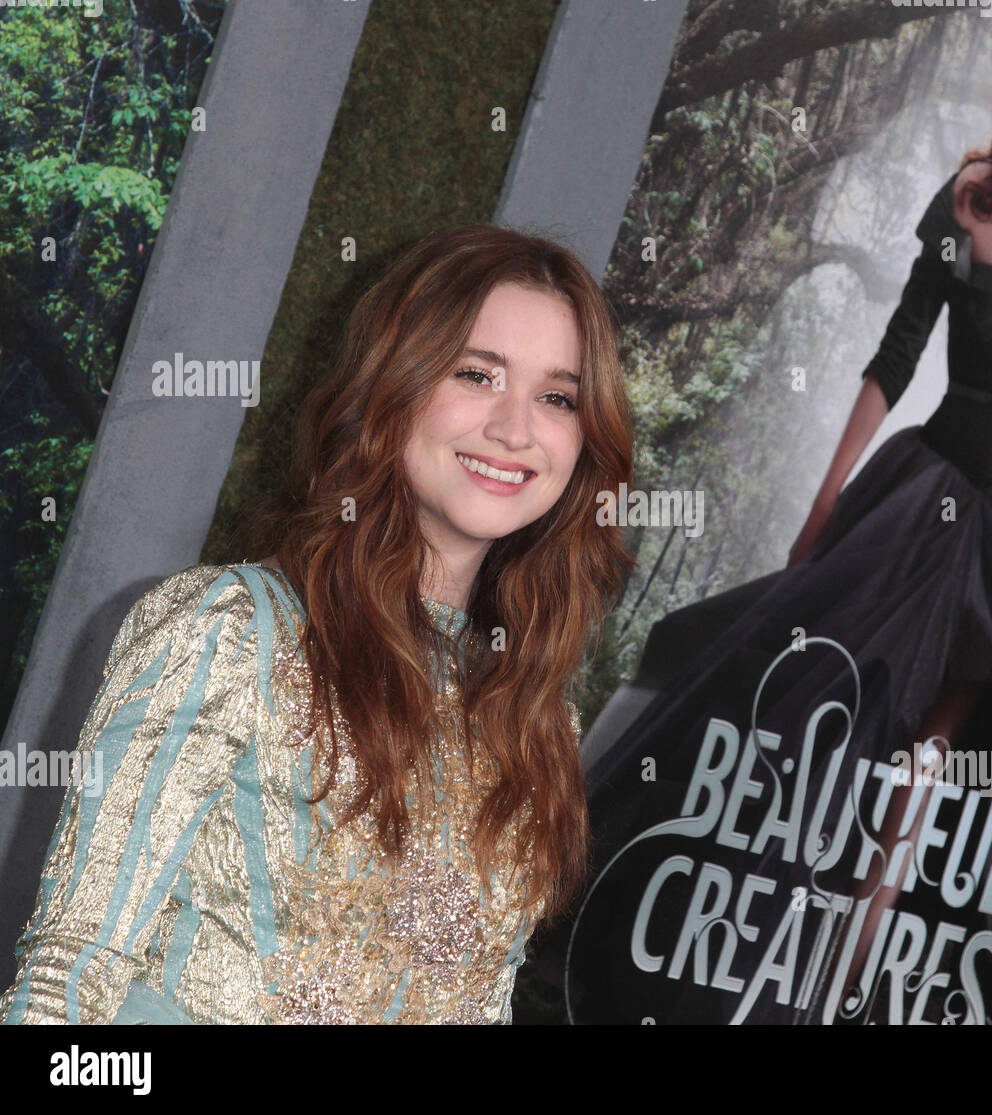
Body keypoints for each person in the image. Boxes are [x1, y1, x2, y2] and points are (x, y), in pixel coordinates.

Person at [552, 0, 992, 1025]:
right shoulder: (972, 195)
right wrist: (829, 492)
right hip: (920, 490)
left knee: (932, 760)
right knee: (811, 708)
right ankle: (682, 938)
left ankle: (844, 985)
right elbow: (896, 353)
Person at [0, 225, 634, 1024]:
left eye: (557, 397)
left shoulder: (535, 722)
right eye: (477, 374)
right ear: (395, 385)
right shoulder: (230, 631)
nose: (516, 428)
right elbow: (63, 986)